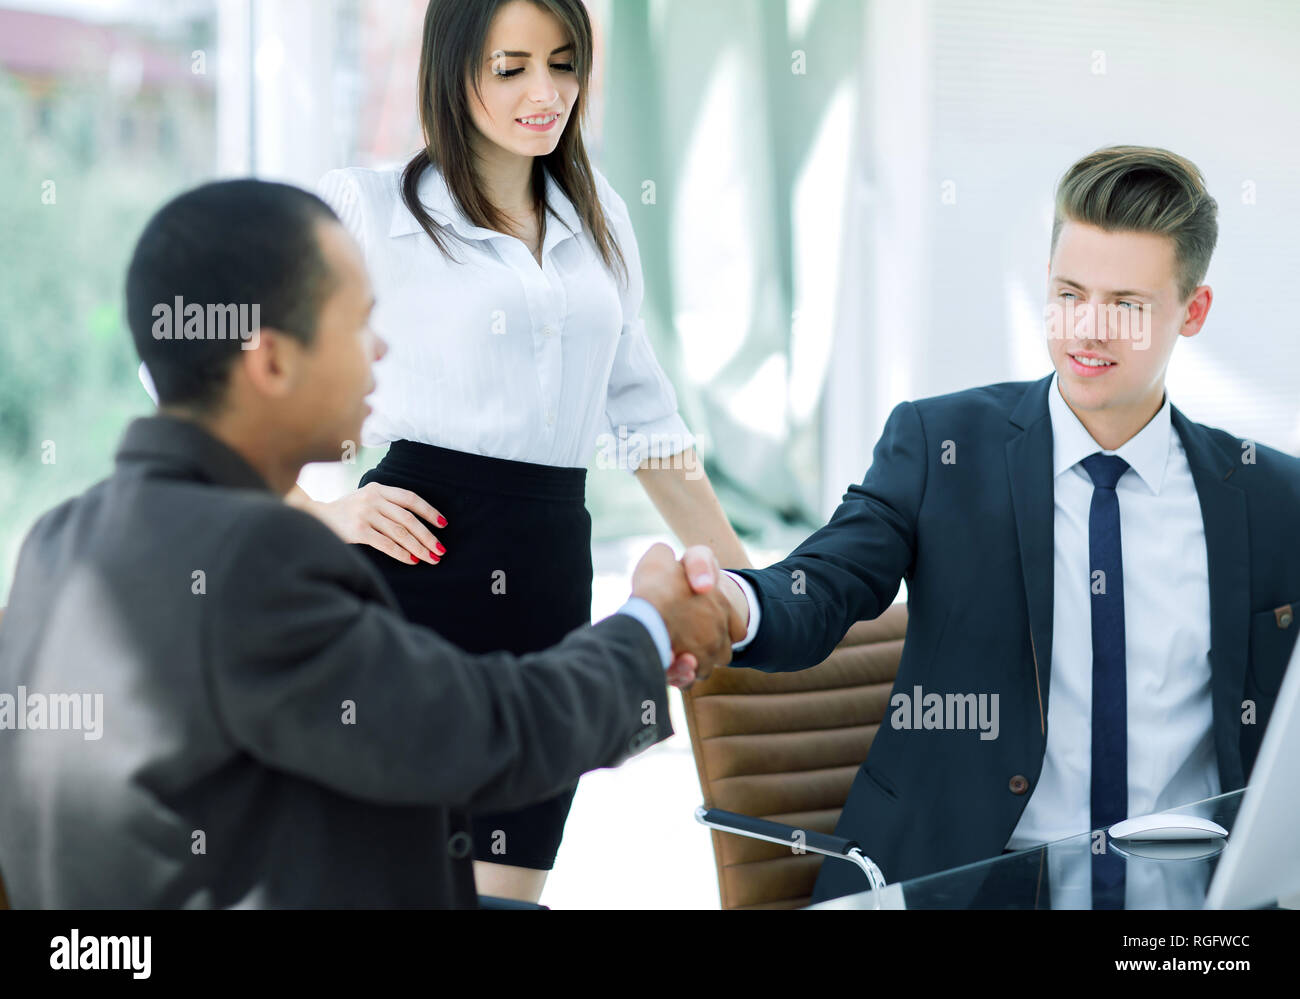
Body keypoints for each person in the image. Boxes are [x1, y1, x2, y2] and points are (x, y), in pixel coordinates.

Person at [0, 178, 744, 908]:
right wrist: (651, 626)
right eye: (359, 325)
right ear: (270, 361)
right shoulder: (258, 558)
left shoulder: (57, 542)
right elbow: (477, 735)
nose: (382, 350)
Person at [710, 146, 1300, 906]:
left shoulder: (1270, 495)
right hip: (972, 887)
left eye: (1126, 304)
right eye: (1068, 293)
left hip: (1187, 914)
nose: (1087, 329)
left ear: (1193, 312)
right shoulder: (940, 446)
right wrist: (735, 602)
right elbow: (822, 583)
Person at [279, 0, 752, 904]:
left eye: (564, 62)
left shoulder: (598, 215)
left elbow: (646, 421)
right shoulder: (368, 207)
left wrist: (743, 585)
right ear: (455, 71)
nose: (548, 92)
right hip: (409, 576)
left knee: (505, 898)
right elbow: (202, 378)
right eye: (512, 66)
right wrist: (325, 508)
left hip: (546, 583)